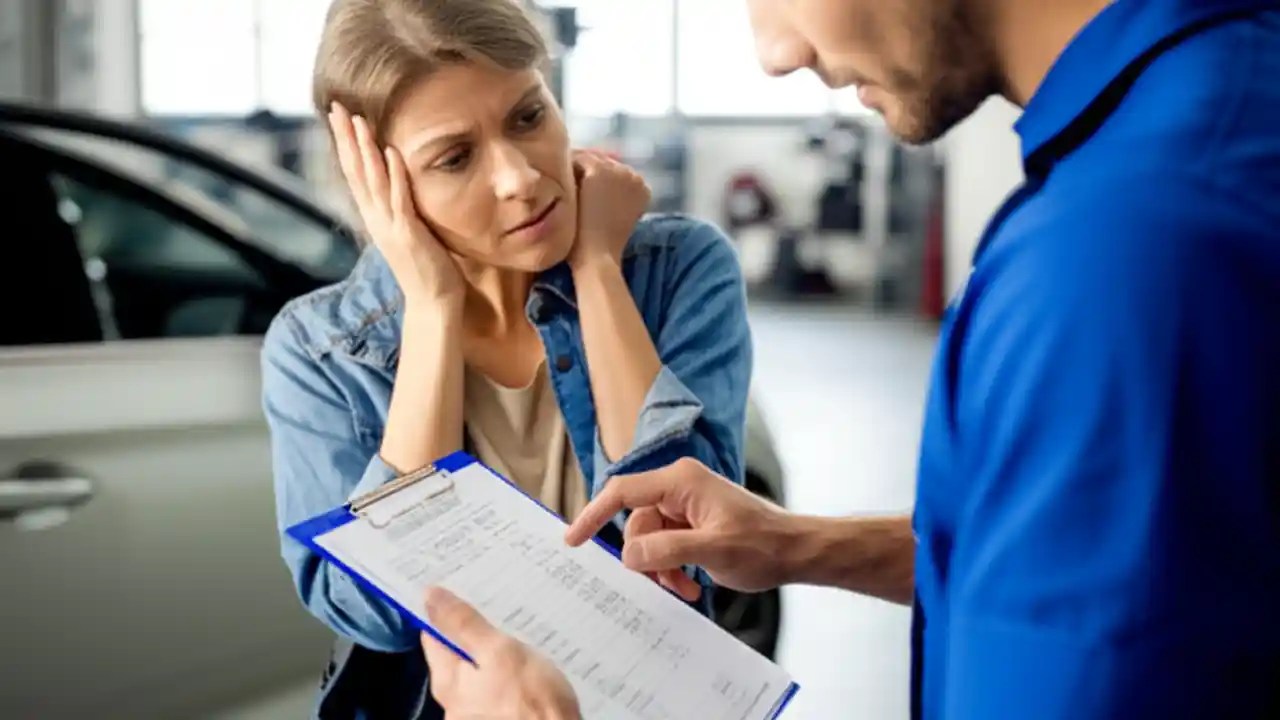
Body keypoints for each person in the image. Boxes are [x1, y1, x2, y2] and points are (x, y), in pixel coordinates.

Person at [418, 0, 1280, 717]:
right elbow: (1132, 571)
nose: (775, 51)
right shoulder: (1218, 107)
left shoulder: (1121, 252)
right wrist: (801, 546)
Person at [258, 0, 753, 717]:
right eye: (455, 158)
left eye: (528, 117)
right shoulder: (320, 350)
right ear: (378, 183)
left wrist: (599, 271)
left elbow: (688, 544)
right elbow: (372, 613)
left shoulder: (676, 269)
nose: (520, 177)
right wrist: (431, 309)